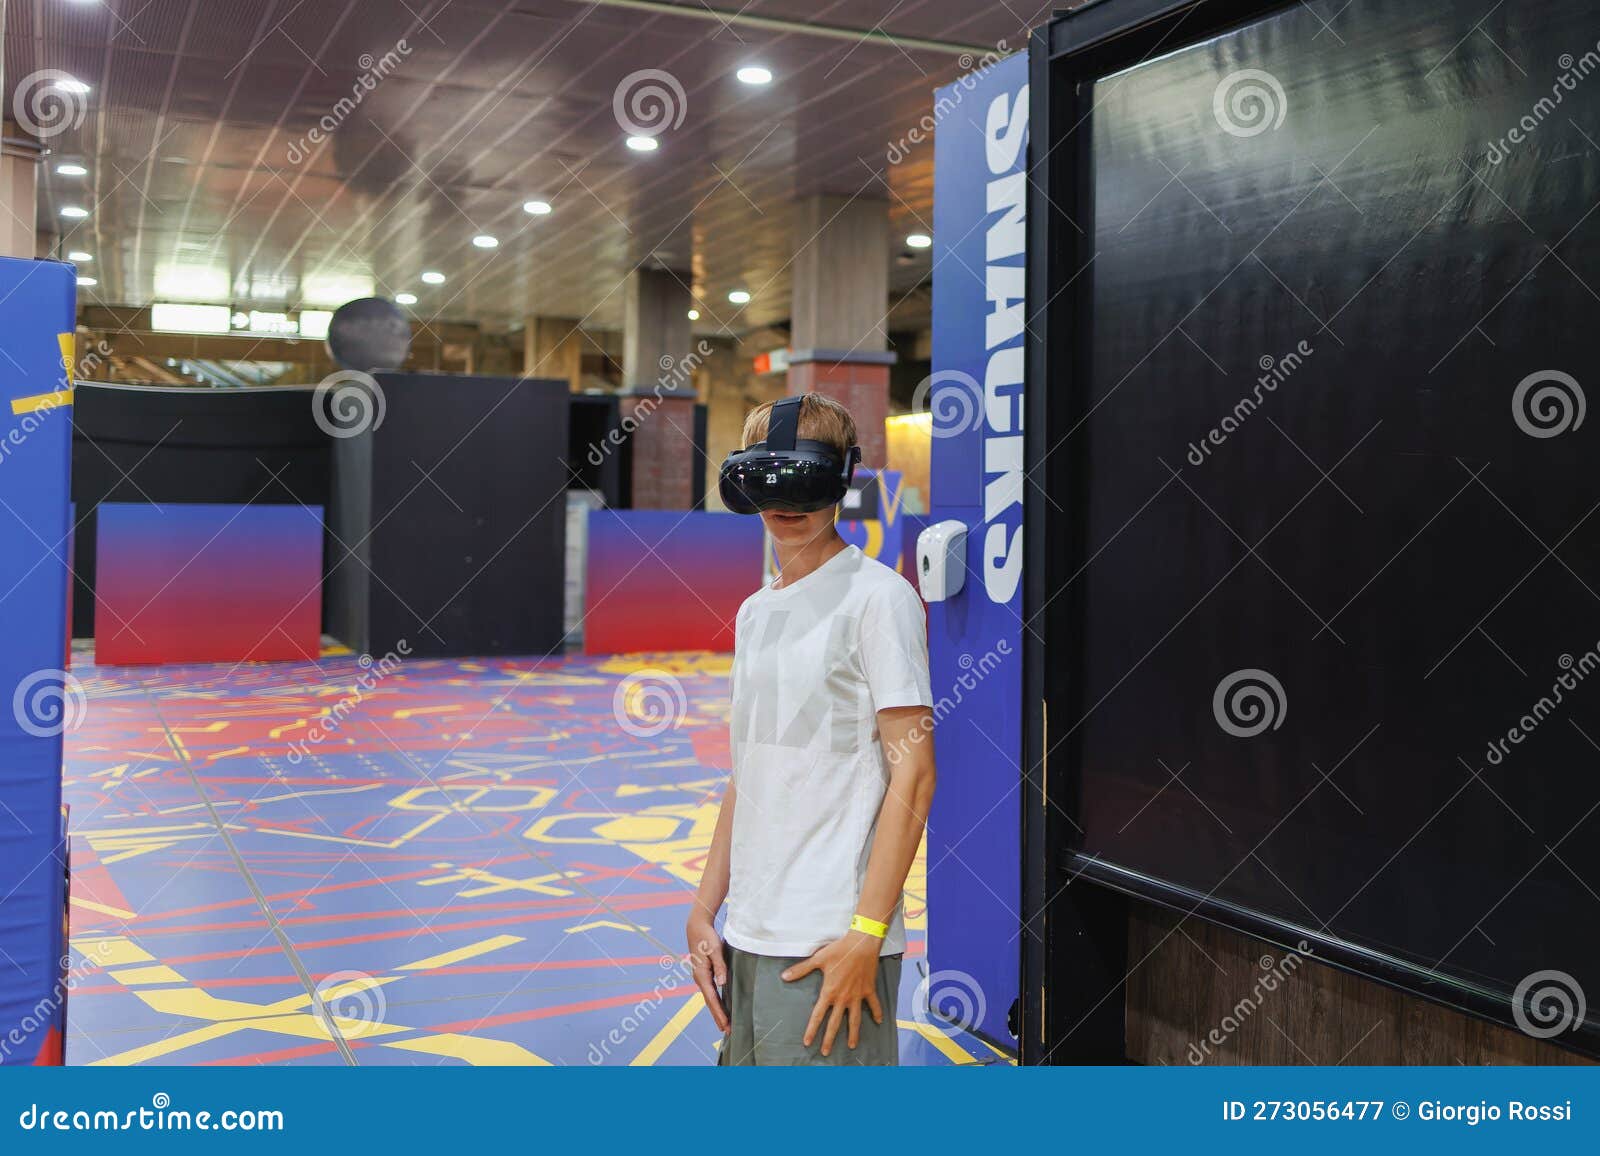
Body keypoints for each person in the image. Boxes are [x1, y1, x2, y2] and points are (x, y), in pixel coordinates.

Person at [687, 392, 936, 1065]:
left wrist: (866, 932)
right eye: (771, 480)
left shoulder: (879, 600)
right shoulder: (754, 612)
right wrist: (707, 910)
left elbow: (914, 770)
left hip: (830, 937)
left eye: (807, 480)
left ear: (841, 480)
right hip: (750, 933)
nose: (786, 503)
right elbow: (752, 769)